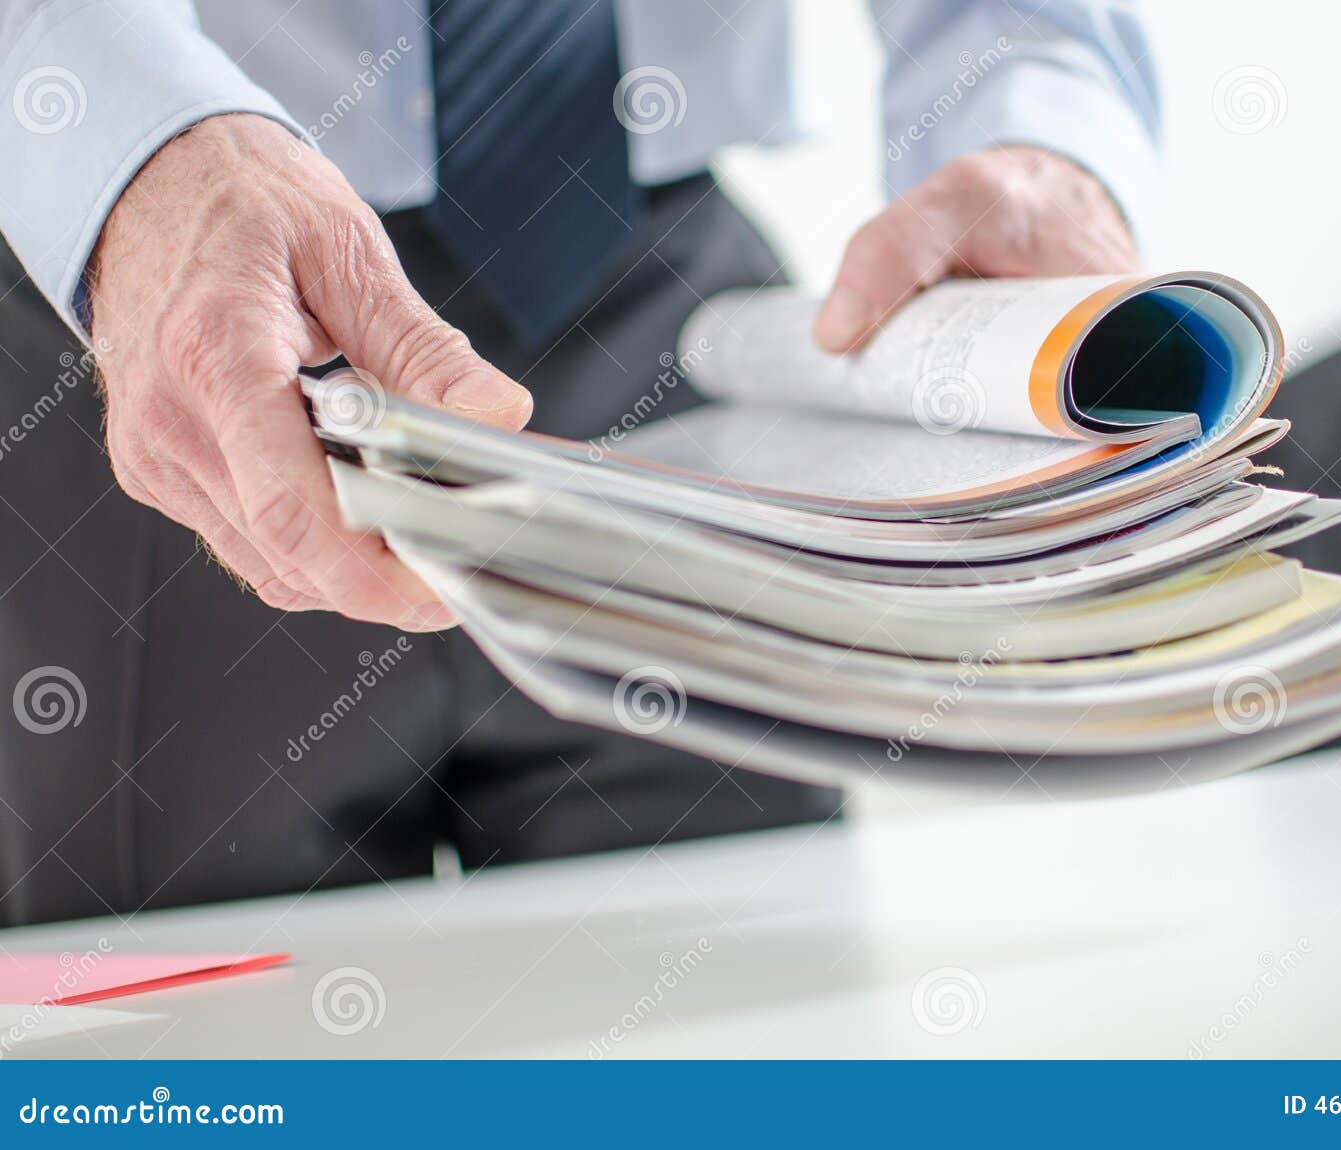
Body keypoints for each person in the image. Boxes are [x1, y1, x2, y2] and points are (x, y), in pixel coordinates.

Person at [0, 0, 1159, 925]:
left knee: (727, 1044)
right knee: (203, 1064)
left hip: (673, 322)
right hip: (162, 319)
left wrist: (1041, 115)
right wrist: (131, 136)